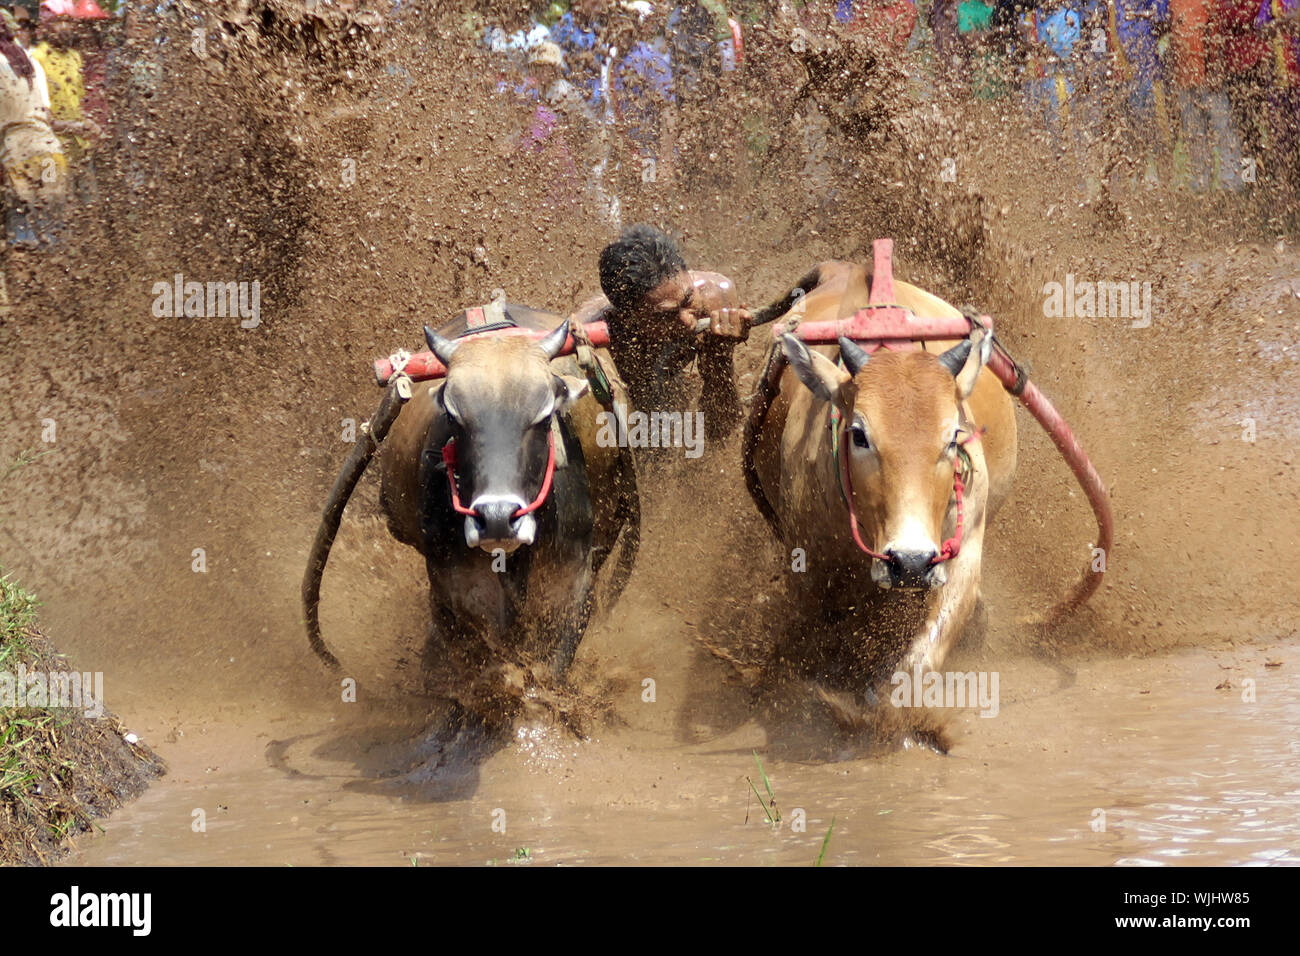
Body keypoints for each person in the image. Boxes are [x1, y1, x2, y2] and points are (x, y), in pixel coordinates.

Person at [570, 224, 753, 443]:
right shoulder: (596, 338)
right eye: (665, 316)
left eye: (687, 301)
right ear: (627, 317)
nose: (687, 320)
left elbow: (722, 434)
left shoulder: (717, 296)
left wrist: (719, 358)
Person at [0, 7, 65, 252]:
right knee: (52, 233)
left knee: (22, 239)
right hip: (51, 155)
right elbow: (47, 115)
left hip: (18, 158)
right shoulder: (32, 63)